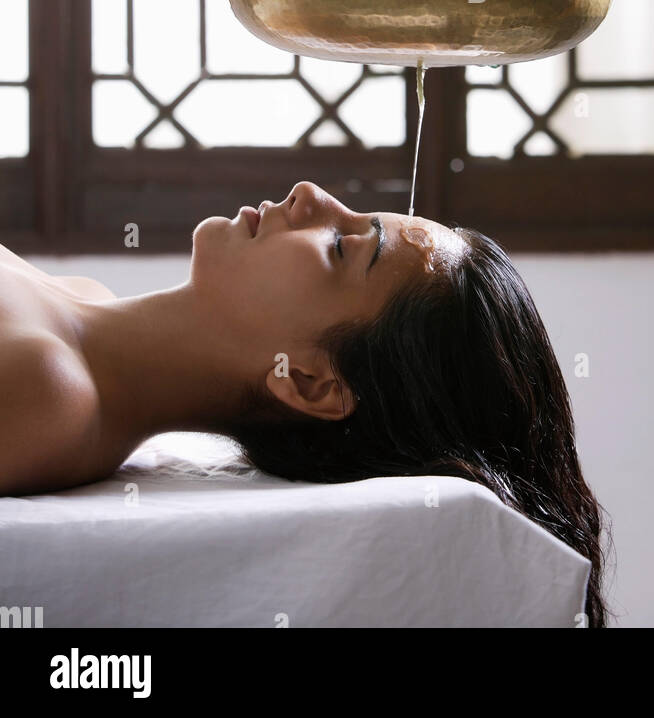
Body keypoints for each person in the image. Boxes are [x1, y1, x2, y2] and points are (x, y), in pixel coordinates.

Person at [0, 180, 610, 626]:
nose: (309, 195)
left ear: (313, 383)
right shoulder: (81, 303)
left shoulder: (45, 393)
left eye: (343, 247)